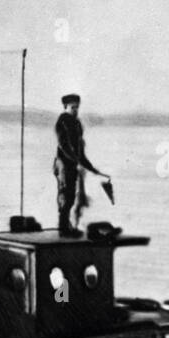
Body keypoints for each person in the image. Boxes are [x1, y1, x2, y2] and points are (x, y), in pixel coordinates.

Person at [53, 93, 110, 237]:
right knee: (66, 195)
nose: (75, 110)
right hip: (63, 164)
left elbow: (80, 151)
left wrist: (92, 168)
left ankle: (68, 226)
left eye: (77, 108)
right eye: (73, 107)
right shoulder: (62, 122)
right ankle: (63, 228)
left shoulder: (77, 124)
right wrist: (76, 161)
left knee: (71, 196)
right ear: (65, 107)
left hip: (72, 165)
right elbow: (64, 145)